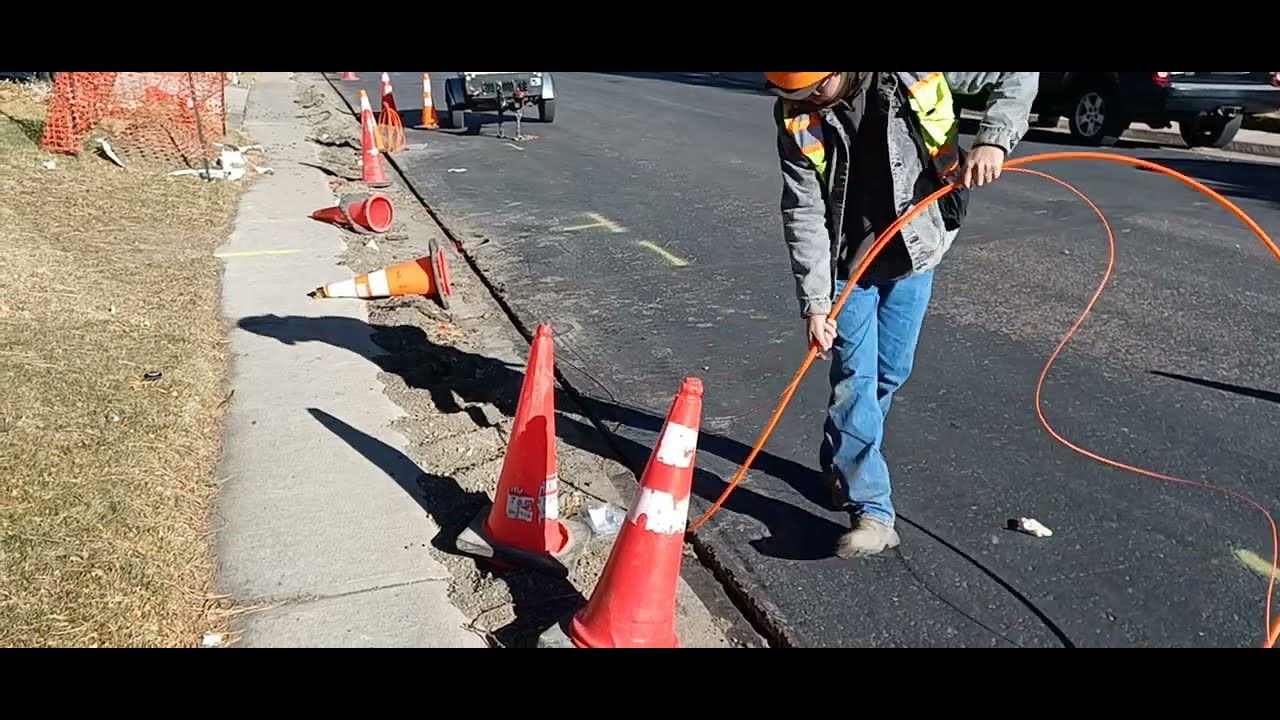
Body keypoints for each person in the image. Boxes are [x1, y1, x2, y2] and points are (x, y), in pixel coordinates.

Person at [765, 71, 1038, 558]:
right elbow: (803, 208)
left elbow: (1018, 75)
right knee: (855, 378)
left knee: (890, 371)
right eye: (794, 96)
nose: (806, 103)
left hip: (916, 252)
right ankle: (872, 509)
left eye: (813, 92)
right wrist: (815, 302)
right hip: (845, 269)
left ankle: (840, 464)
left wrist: (994, 140)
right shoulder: (794, 114)